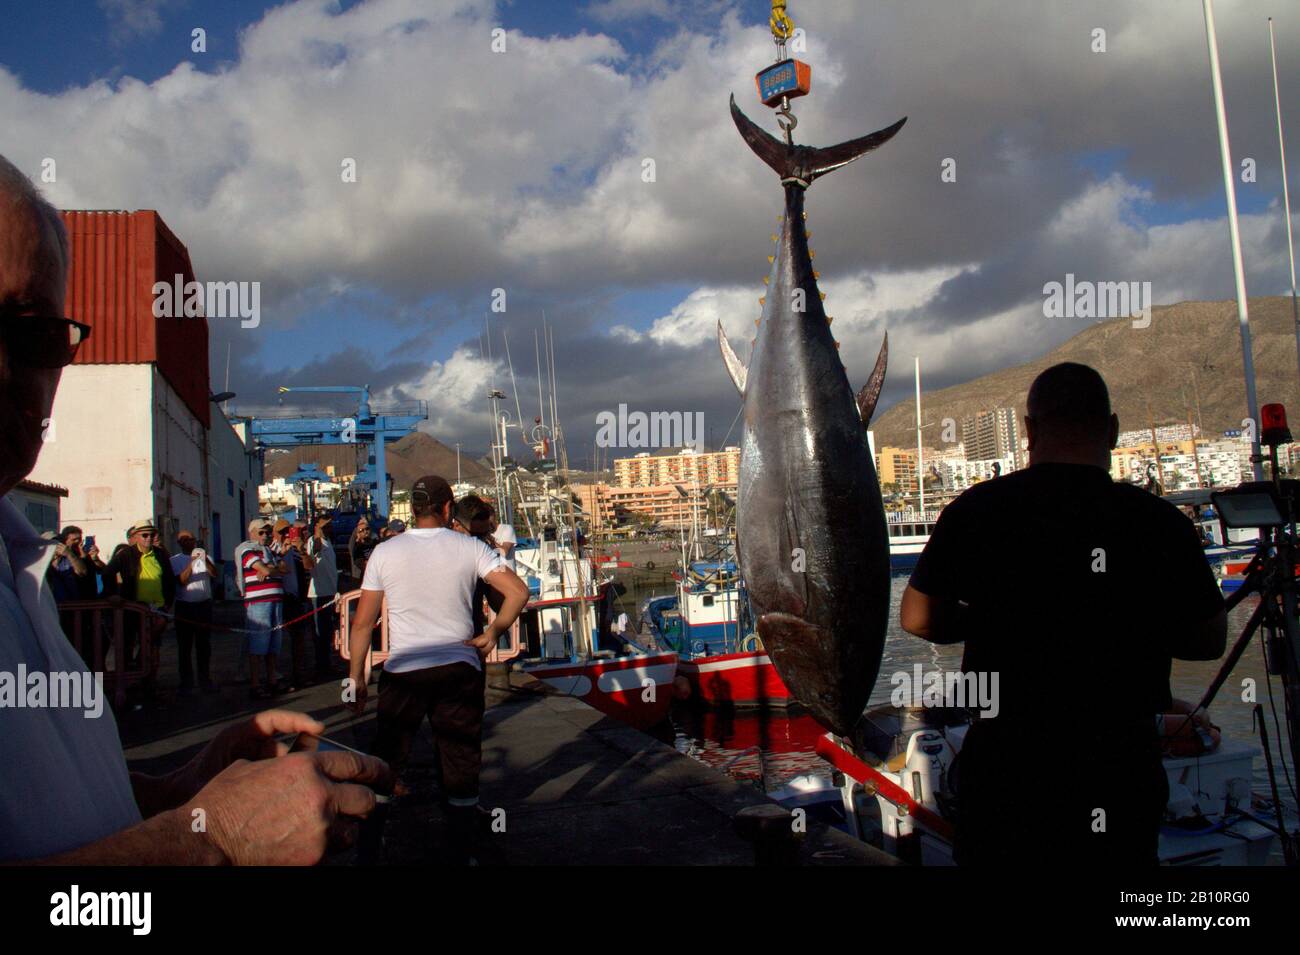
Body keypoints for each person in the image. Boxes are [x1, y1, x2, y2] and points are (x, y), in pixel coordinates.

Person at [0, 153, 390, 863]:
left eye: (32, 336)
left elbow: (64, 806)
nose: (3, 368)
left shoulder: (17, 566)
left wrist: (193, 785)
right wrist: (201, 841)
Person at [899, 362, 1227, 866]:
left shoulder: (978, 510)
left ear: (1029, 431)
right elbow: (1207, 640)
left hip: (1008, 772)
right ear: (1112, 430)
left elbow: (917, 617)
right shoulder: (1159, 523)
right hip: (1120, 770)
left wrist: (992, 621)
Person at [349, 475, 529, 864]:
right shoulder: (470, 548)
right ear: (448, 509)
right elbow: (518, 592)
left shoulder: (385, 551)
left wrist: (356, 679)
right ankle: (462, 851)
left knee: (388, 757)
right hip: (458, 667)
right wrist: (494, 633)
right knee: (460, 759)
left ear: (412, 511)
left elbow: (362, 624)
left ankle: (369, 847)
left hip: (404, 669)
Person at [104, 518, 176, 670]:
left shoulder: (160, 554)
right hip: (133, 608)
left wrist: (166, 605)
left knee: (153, 649)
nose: (148, 538)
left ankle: (149, 685)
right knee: (127, 646)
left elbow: (170, 580)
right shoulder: (126, 554)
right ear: (136, 536)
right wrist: (112, 594)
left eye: (151, 534)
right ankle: (126, 682)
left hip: (156, 609)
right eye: (144, 535)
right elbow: (108, 573)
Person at [237, 518, 287, 699]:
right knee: (258, 644)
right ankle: (256, 683)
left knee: (275, 643)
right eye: (261, 532)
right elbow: (266, 570)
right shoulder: (246, 550)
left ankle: (272, 680)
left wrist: (270, 567)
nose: (265, 536)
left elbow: (284, 568)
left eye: (267, 532)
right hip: (258, 603)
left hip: (276, 600)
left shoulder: (271, 551)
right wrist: (271, 568)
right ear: (252, 533)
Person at [169, 530, 217, 694]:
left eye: (192, 539)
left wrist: (204, 560)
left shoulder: (205, 556)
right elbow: (181, 580)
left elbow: (214, 574)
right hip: (185, 607)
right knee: (185, 647)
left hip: (204, 605)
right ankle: (186, 682)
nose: (190, 542)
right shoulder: (175, 561)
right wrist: (192, 563)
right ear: (180, 543)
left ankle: (205, 680)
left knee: (204, 646)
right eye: (186, 539)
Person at [272, 518, 310, 690]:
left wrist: (302, 551)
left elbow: (309, 567)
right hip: (279, 598)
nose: (286, 535)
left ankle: (298, 675)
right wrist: (281, 552)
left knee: (298, 639)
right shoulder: (271, 550)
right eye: (282, 532)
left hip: (296, 598)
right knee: (276, 641)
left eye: (288, 531)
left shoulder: (295, 550)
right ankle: (275, 676)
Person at [305, 515, 340, 677]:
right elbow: (314, 551)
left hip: (330, 592)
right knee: (320, 632)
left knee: (328, 632)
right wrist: (317, 534)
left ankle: (326, 663)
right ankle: (321, 666)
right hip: (318, 594)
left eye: (329, 526)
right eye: (324, 526)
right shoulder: (314, 541)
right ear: (317, 527)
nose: (328, 528)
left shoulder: (329, 542)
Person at [46, 525, 101, 602]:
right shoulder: (45, 560)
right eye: (74, 540)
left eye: (79, 539)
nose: (78, 542)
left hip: (78, 604)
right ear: (65, 541)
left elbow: (84, 572)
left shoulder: (74, 557)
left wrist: (94, 558)